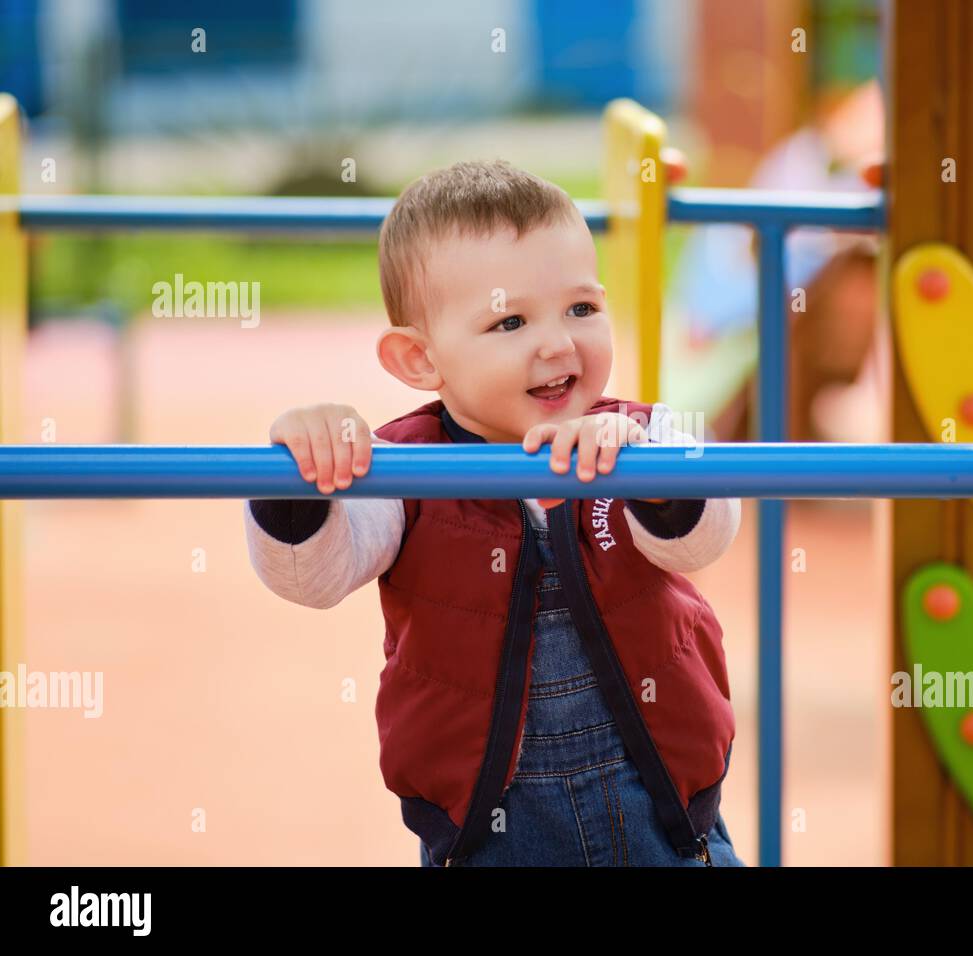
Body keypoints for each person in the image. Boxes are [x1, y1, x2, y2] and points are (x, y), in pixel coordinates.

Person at [242, 160, 745, 867]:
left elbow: (700, 536)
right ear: (419, 360)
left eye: (582, 309)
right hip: (491, 837)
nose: (558, 343)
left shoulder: (638, 434)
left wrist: (642, 467)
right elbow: (313, 576)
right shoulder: (403, 467)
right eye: (511, 320)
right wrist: (305, 475)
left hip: (665, 825)